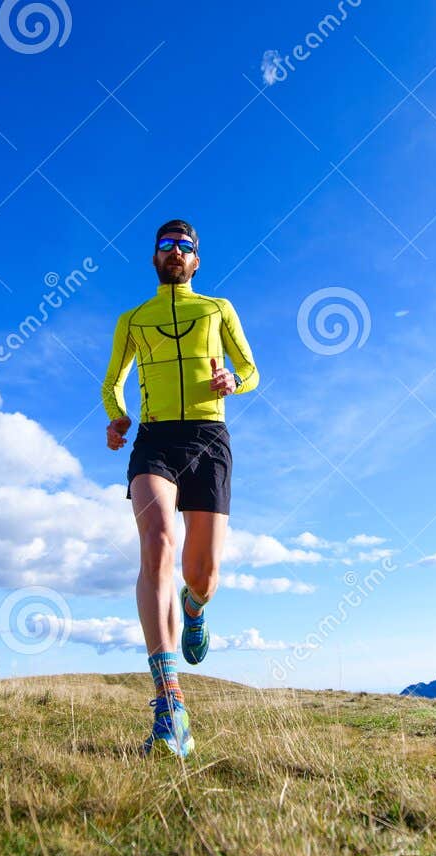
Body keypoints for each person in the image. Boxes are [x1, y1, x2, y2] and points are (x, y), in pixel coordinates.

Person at [101, 219, 259, 758]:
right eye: (165, 245)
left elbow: (251, 368)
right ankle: (171, 708)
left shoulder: (218, 309)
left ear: (196, 261)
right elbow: (111, 382)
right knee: (158, 543)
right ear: (153, 259)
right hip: (155, 441)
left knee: (203, 574)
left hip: (210, 438)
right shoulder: (132, 320)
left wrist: (234, 381)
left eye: (184, 247)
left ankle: (194, 609)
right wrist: (117, 416)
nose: (174, 252)